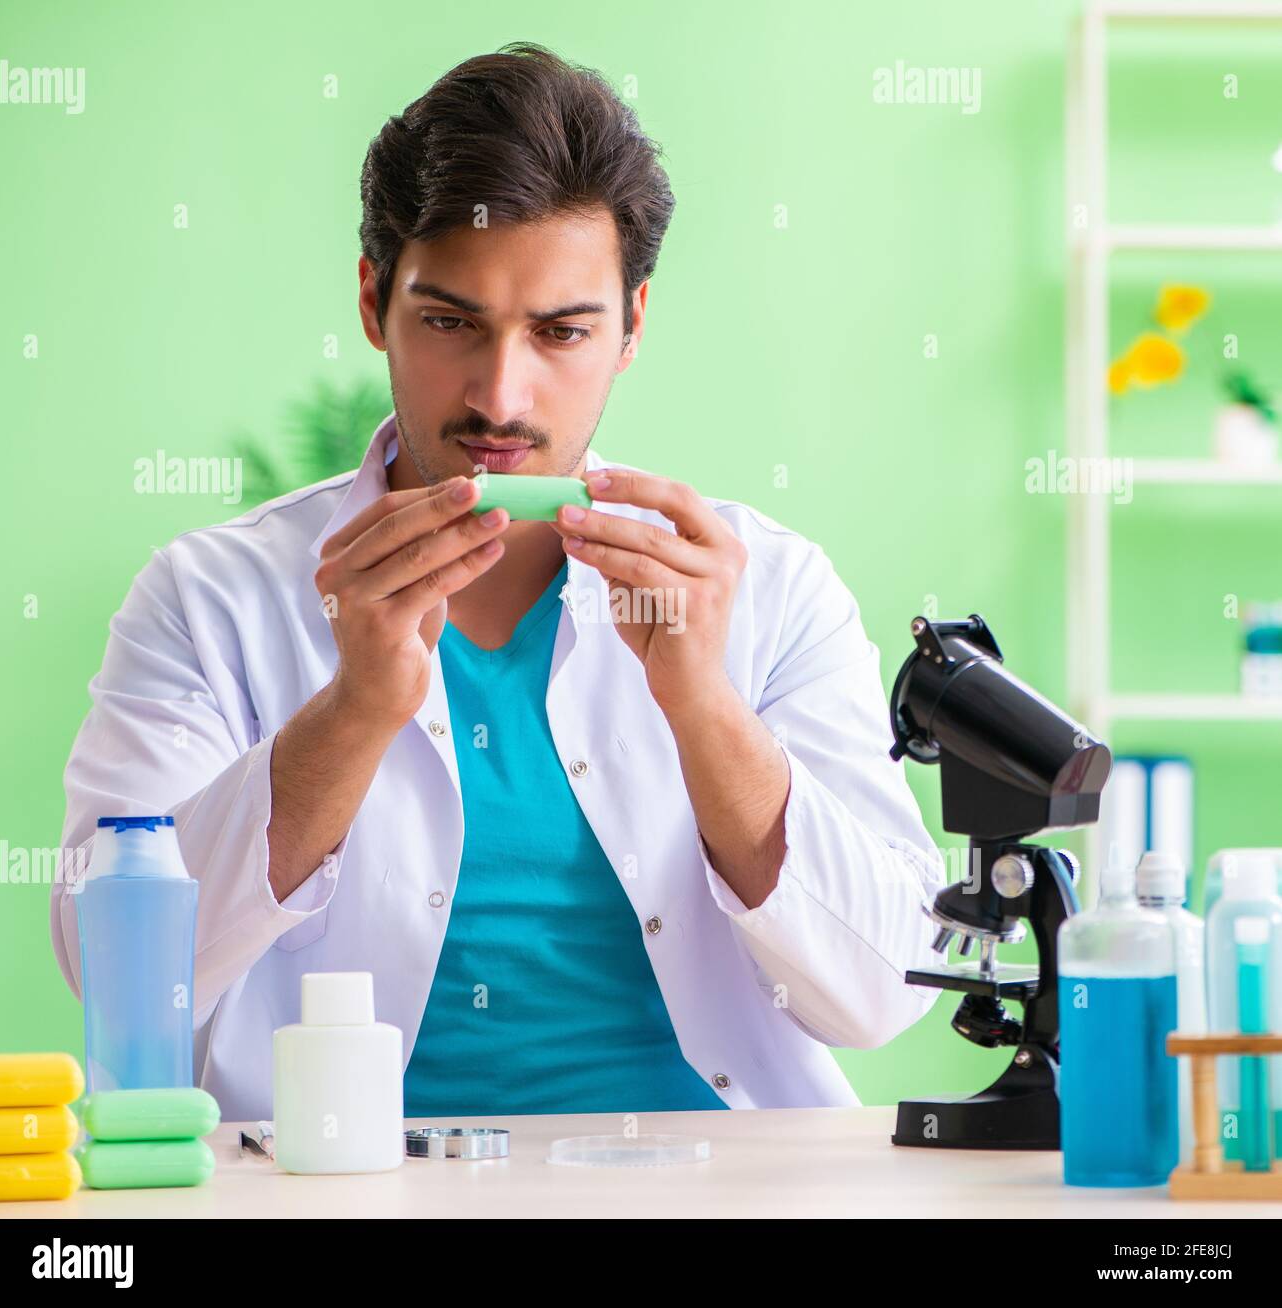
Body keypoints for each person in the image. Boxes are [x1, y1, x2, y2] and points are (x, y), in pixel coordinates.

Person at [52, 42, 945, 1122]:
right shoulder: (208, 598)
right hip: (344, 1185)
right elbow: (116, 972)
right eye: (450, 322)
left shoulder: (767, 588)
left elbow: (888, 985)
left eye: (562, 331)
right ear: (375, 301)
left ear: (632, 328)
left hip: (717, 1180)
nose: (499, 396)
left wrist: (702, 704)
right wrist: (355, 710)